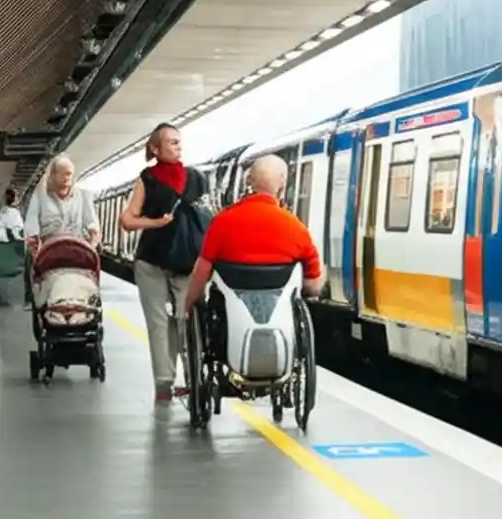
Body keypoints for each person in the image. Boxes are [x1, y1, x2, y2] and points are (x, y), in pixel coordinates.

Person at [120, 123, 207, 403]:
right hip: (151, 262)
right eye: (171, 142)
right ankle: (164, 383)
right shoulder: (146, 179)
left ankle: (193, 376)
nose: (178, 147)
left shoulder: (196, 178)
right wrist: (156, 222)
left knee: (186, 321)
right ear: (155, 149)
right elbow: (127, 220)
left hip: (187, 263)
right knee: (158, 324)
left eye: (179, 142)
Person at [182, 154, 324, 316]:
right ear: (283, 184)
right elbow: (313, 285)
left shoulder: (222, 222)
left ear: (248, 180)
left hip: (232, 317)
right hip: (280, 318)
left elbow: (201, 272)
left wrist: (188, 305)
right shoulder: (296, 227)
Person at [23, 156, 100, 310]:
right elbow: (32, 221)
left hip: (76, 247)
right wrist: (33, 241)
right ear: (53, 175)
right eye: (63, 174)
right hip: (48, 248)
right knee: (29, 260)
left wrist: (93, 239)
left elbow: (92, 223)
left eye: (70, 174)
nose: (67, 177)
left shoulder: (84, 196)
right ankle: (32, 298)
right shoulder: (40, 196)